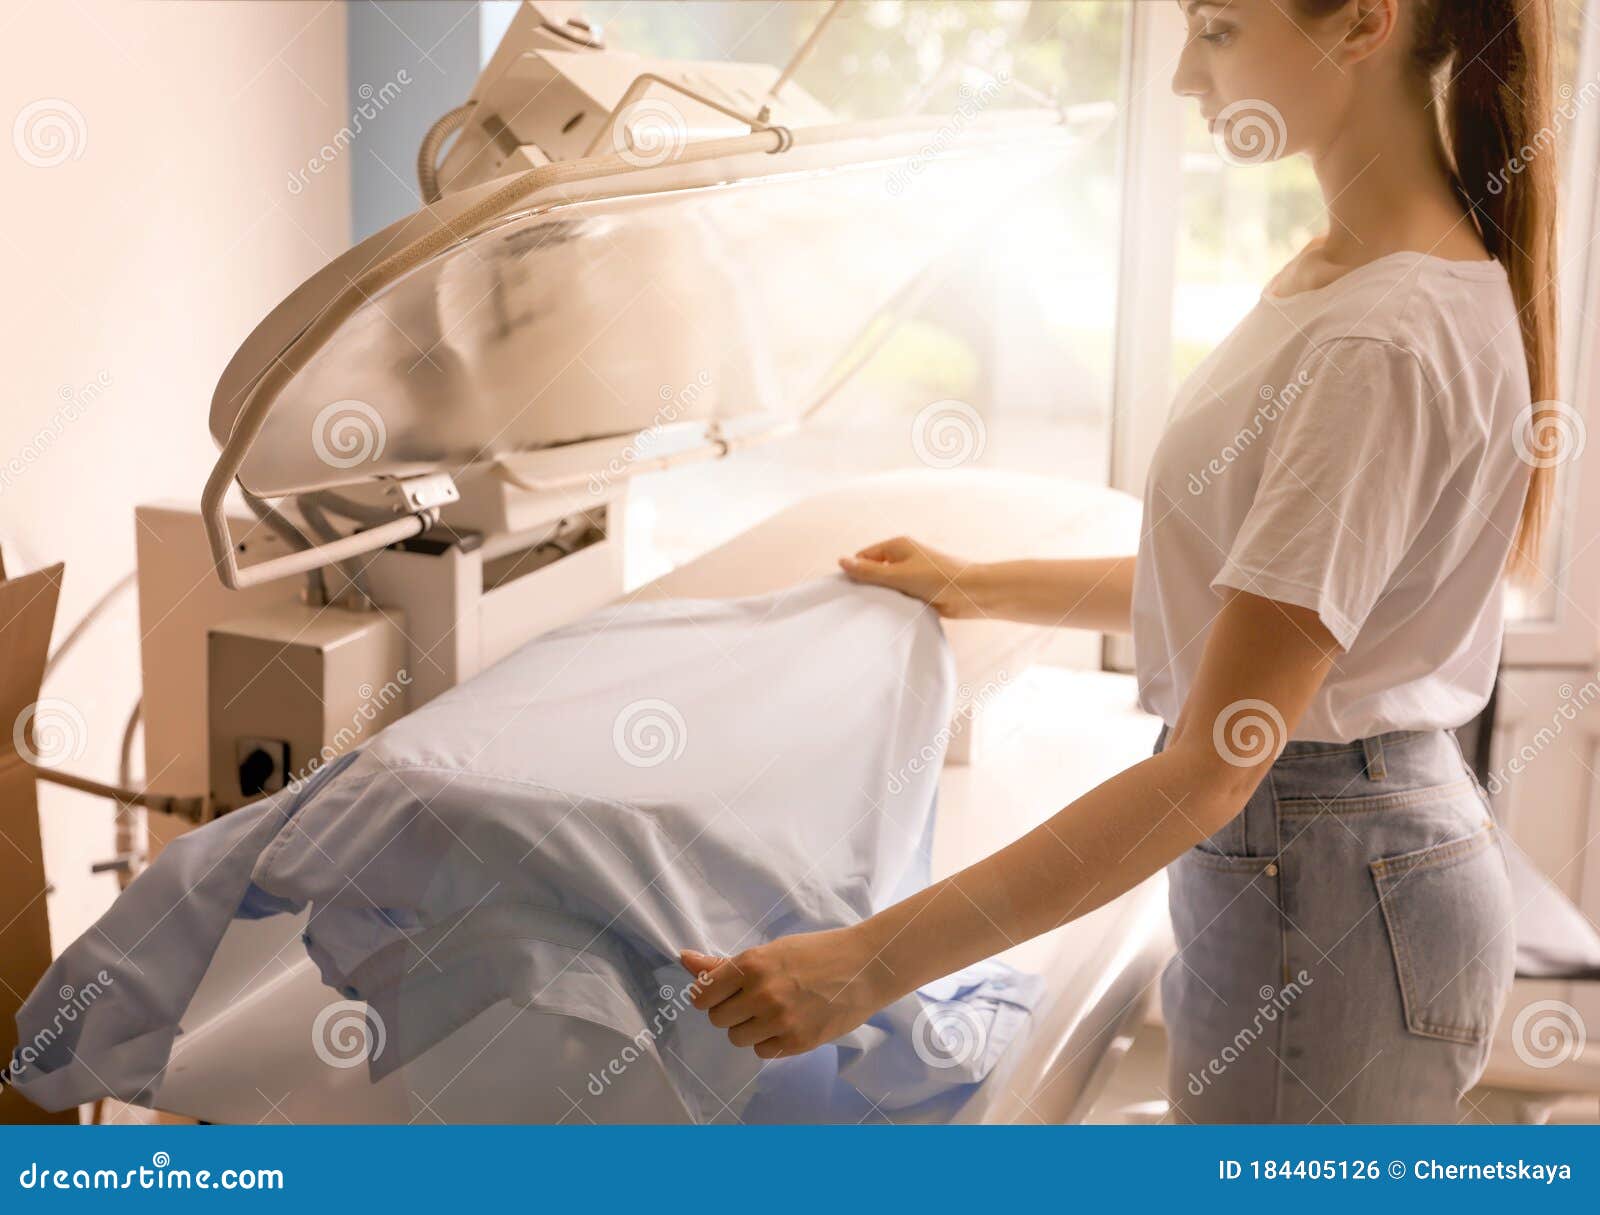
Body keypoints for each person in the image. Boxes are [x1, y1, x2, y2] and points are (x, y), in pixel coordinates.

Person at [681, 0, 1562, 1123]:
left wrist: (865, 964)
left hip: (1331, 879)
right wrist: (975, 583)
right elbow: (1257, 598)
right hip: (1315, 858)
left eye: (1218, 29)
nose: (1187, 76)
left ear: (1360, 26)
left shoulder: (1378, 338)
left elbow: (1211, 767)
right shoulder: (1343, 275)